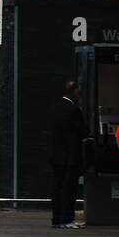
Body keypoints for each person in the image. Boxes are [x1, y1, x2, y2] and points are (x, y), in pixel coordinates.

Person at [48, 80, 92, 229]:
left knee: (57, 187)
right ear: (74, 92)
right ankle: (67, 218)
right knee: (69, 189)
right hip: (70, 157)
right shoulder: (73, 110)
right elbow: (84, 131)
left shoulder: (54, 108)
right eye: (78, 92)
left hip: (56, 155)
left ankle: (56, 218)